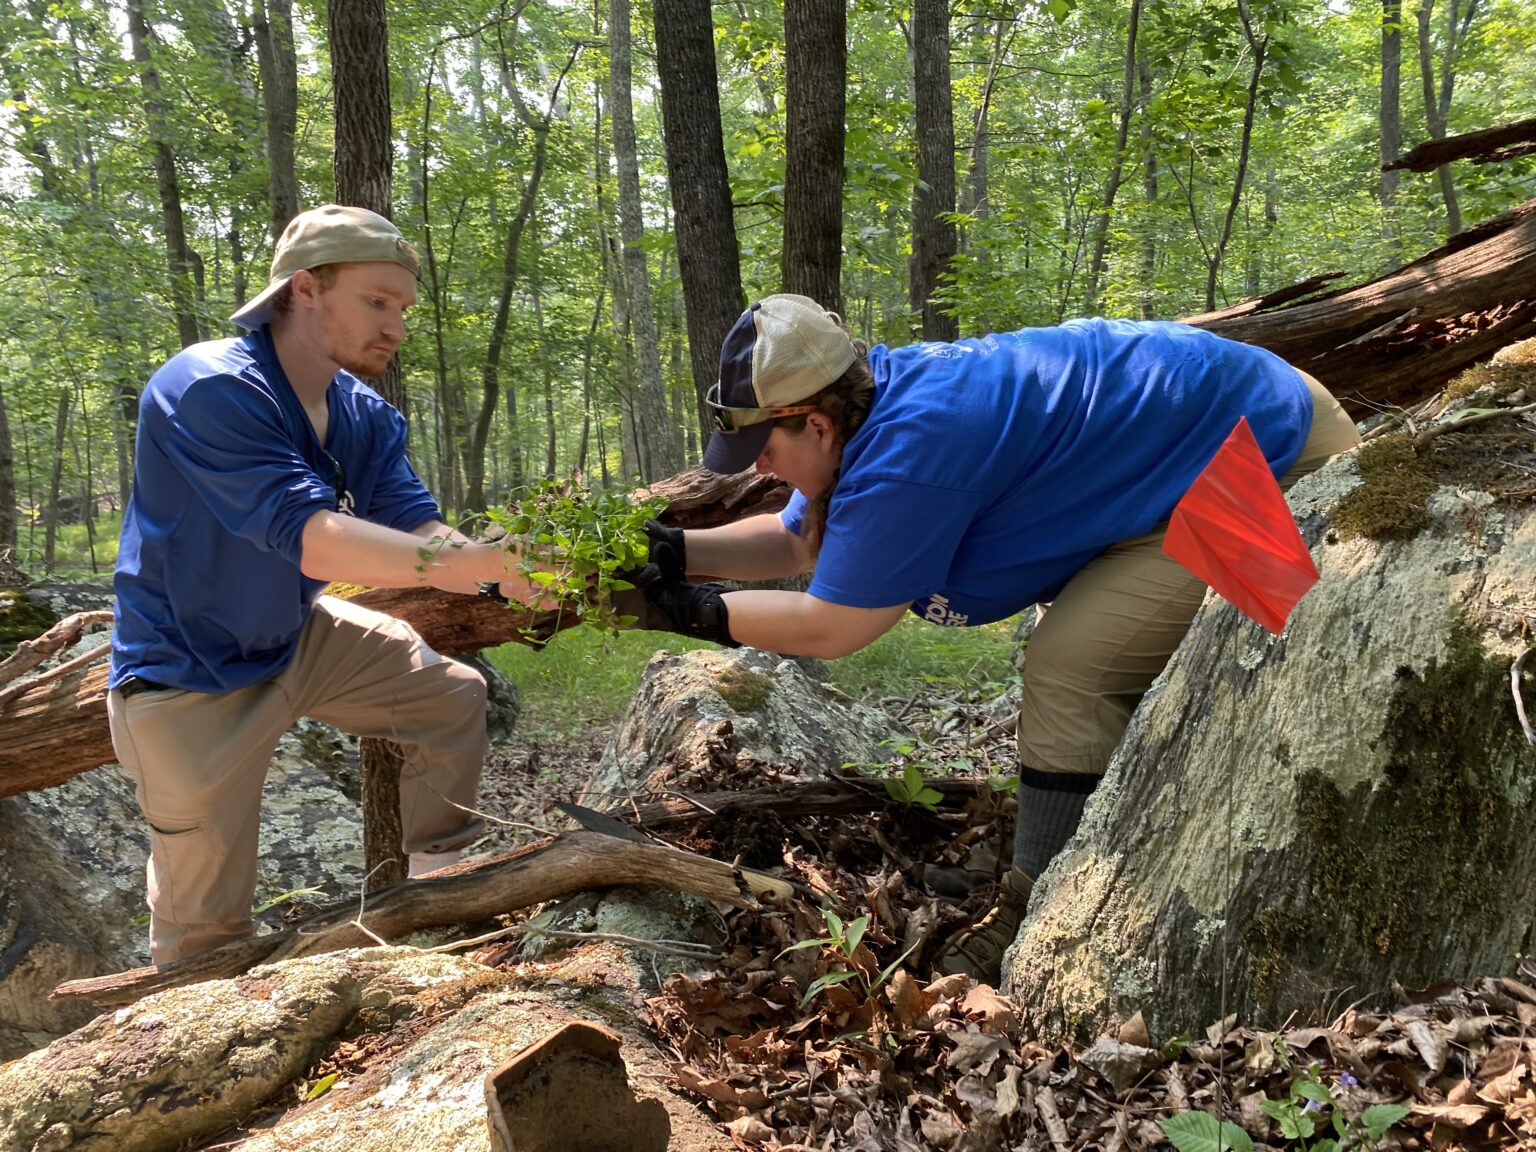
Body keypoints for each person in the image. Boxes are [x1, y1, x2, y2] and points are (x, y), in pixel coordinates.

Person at [624, 294, 1361, 985]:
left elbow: (835, 623)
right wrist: (676, 551)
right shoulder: (868, 413)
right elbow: (796, 547)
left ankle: (1041, 915)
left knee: (1074, 665)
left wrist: (684, 610)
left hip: (1263, 452)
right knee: (1075, 644)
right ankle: (1073, 849)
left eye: (763, 445)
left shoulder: (912, 449)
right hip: (1188, 449)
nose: (757, 465)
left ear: (815, 423)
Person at [109, 205, 546, 966]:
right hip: (186, 676)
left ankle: (449, 899)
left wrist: (501, 571)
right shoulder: (209, 387)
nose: (397, 326)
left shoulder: (363, 413)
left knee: (450, 697)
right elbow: (308, 537)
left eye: (404, 308)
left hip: (295, 639)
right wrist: (471, 568)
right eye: (378, 302)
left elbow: (418, 526)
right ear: (305, 289)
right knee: (204, 946)